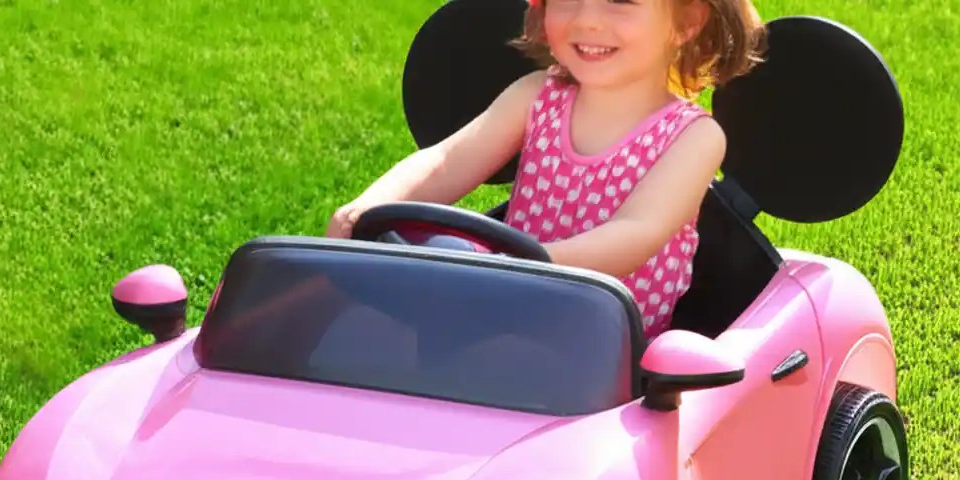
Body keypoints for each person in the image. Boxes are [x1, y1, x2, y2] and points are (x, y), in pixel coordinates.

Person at [327, 0, 766, 337]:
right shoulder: (537, 95)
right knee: (357, 324)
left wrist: (526, 265)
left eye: (620, 0)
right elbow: (447, 160)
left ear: (686, 21)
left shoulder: (693, 137)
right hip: (501, 302)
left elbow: (636, 234)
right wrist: (370, 206)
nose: (587, 19)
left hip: (605, 340)